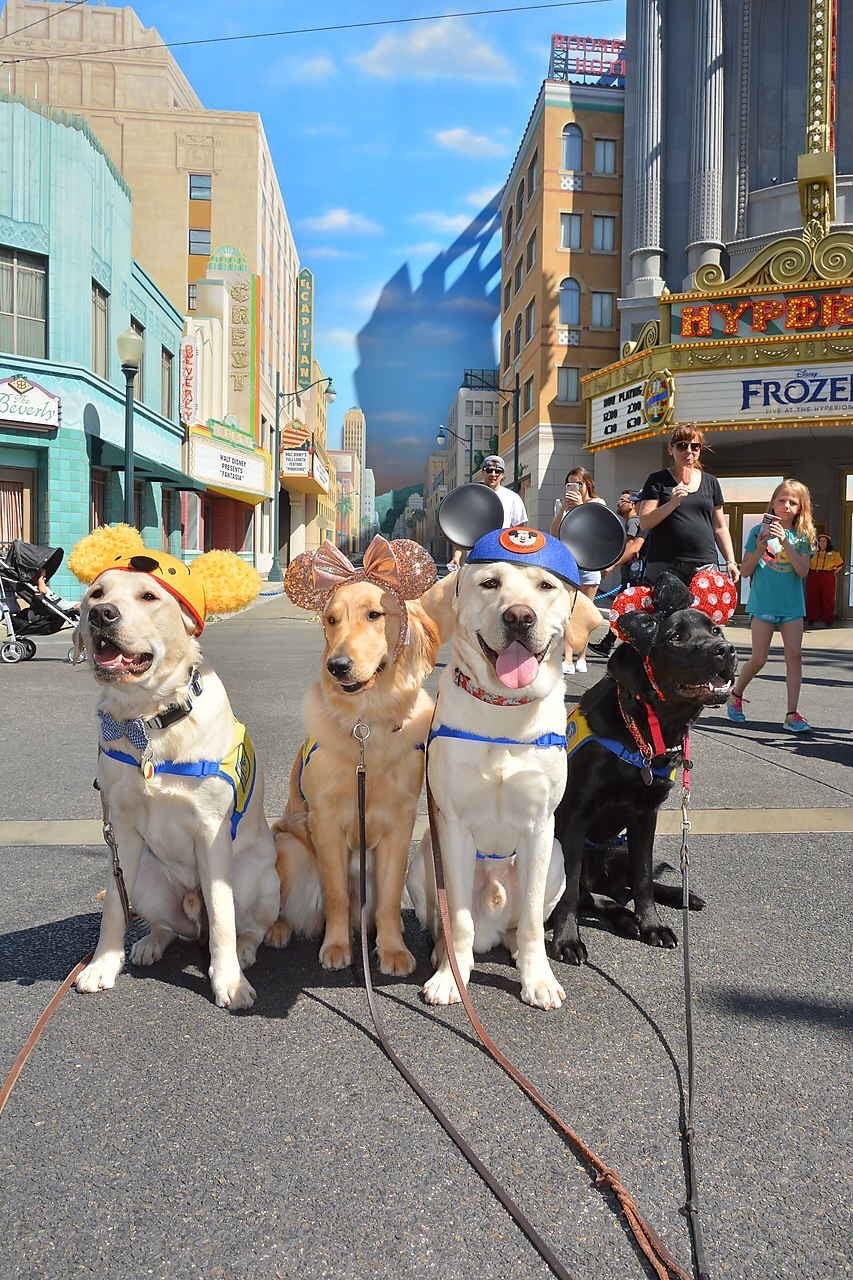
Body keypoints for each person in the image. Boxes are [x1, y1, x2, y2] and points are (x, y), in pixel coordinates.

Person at [726, 479, 816, 734]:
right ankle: (736, 694)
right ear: (773, 503)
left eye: (792, 502)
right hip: (763, 602)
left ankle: (791, 714)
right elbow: (744, 571)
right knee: (758, 658)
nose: (786, 505)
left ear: (800, 507)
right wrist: (760, 548)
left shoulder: (804, 536)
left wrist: (785, 541)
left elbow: (802, 571)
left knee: (794, 657)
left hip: (792, 606)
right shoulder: (757, 531)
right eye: (781, 500)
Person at [636, 426, 739, 587]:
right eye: (682, 446)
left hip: (704, 563)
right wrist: (672, 503)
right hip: (666, 564)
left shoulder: (711, 482)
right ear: (671, 449)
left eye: (695, 446)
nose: (689, 451)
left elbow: (720, 527)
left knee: (703, 612)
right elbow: (645, 522)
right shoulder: (657, 480)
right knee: (666, 612)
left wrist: (730, 561)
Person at [549, 467, 606, 674]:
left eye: (579, 484)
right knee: (568, 612)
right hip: (567, 562)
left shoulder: (597, 504)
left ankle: (582, 655)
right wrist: (564, 509)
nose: (574, 488)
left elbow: (596, 530)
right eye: (570, 484)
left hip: (589, 563)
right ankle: (568, 658)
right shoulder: (562, 504)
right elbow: (554, 533)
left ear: (587, 485)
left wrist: (580, 508)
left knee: (585, 612)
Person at [587, 490, 647, 660]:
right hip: (632, 574)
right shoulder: (634, 522)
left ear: (633, 504)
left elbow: (631, 548)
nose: (619, 503)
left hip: (634, 575)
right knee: (625, 609)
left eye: (624, 500)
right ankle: (610, 643)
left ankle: (611, 644)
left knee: (623, 608)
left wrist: (611, 565)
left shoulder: (633, 522)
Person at [447, 454, 527, 569]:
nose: (493, 474)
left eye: (497, 471)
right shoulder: (472, 496)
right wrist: (456, 556)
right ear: (483, 472)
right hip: (476, 557)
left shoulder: (513, 498)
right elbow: (461, 530)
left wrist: (517, 558)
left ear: (502, 474)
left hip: (502, 557)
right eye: (489, 470)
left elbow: (520, 530)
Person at [806, 533, 843, 628]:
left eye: (824, 541)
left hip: (827, 575)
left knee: (828, 598)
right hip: (813, 575)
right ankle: (812, 618)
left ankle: (828, 619)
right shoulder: (812, 552)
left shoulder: (834, 554)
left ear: (828, 543)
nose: (821, 543)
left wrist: (831, 573)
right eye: (820, 541)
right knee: (812, 596)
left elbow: (840, 565)